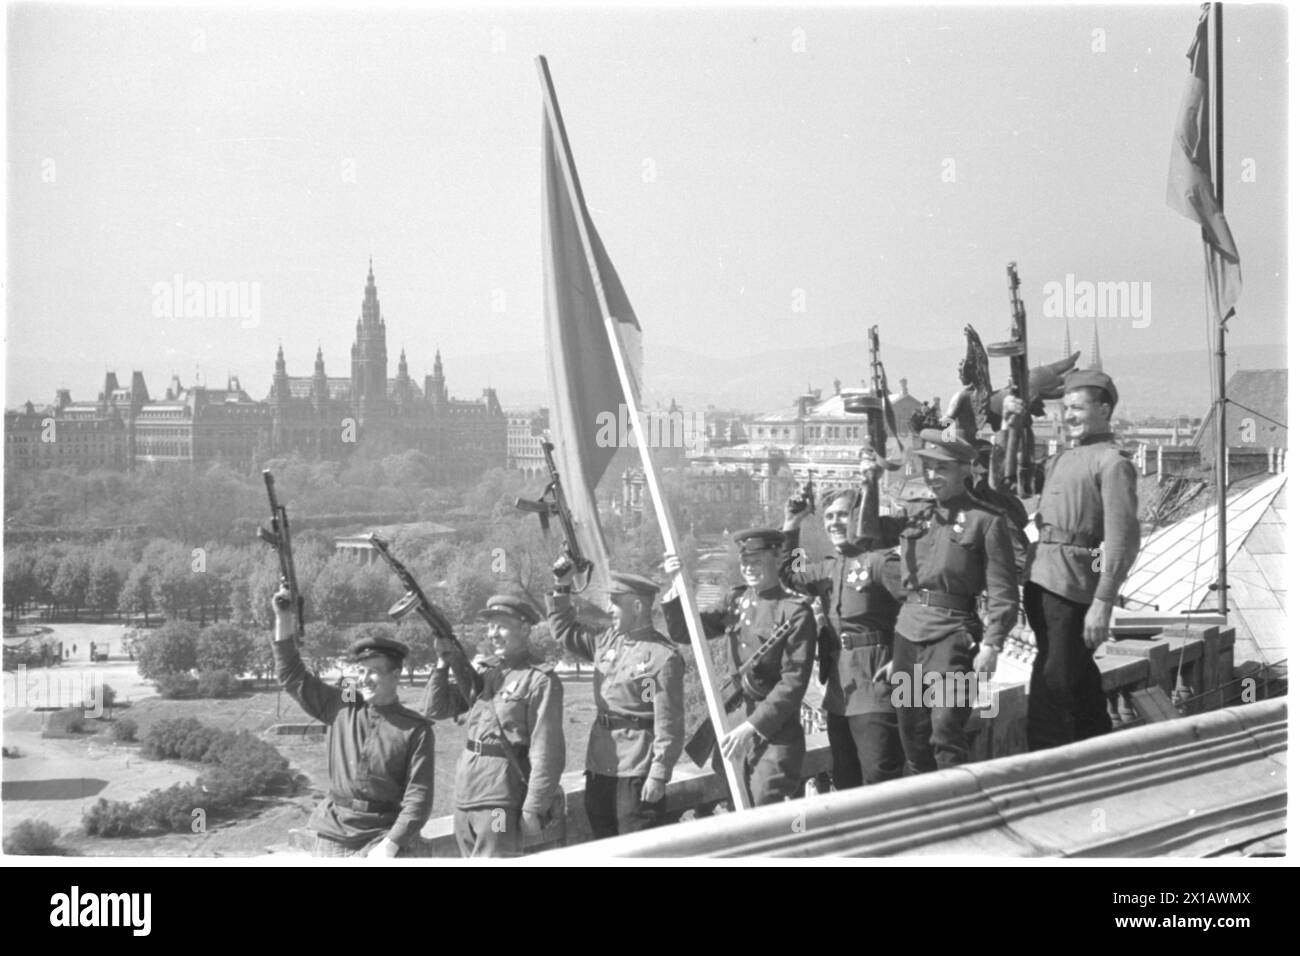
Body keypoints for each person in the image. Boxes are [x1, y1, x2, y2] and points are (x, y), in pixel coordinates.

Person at [1016, 369, 1139, 750]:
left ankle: (1045, 763)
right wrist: (1012, 421)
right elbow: (1013, 481)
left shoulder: (1112, 463)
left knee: (1054, 681)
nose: (1069, 416)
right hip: (1041, 579)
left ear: (1104, 410)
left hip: (1073, 586)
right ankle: (1099, 752)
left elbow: (1122, 540)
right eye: (1065, 408)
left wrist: (1103, 601)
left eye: (1078, 408)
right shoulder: (1060, 460)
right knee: (1076, 676)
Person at [892, 428, 1020, 774]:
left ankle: (957, 801)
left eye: (942, 468)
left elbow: (1004, 592)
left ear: (964, 469)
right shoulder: (915, 515)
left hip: (952, 638)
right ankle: (924, 802)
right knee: (913, 733)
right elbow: (864, 537)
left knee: (946, 727)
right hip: (908, 637)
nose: (932, 475)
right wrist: (870, 480)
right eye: (928, 467)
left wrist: (992, 645)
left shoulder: (986, 521)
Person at [270, 585, 432, 858]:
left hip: (382, 836)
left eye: (375, 672)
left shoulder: (416, 729)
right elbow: (292, 675)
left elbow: (419, 797)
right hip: (334, 833)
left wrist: (391, 844)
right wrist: (283, 617)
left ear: (395, 675)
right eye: (361, 670)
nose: (365, 679)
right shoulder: (341, 707)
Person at [662, 529, 818, 805]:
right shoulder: (735, 601)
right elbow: (686, 632)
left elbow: (793, 683)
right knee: (736, 807)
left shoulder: (794, 612)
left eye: (757, 561)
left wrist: (751, 727)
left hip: (773, 732)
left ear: (777, 558)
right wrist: (675, 586)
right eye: (745, 561)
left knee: (765, 806)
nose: (749, 568)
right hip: (733, 725)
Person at [779, 482, 905, 789]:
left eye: (842, 515)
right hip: (839, 695)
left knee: (879, 781)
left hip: (877, 690)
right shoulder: (829, 569)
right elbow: (791, 574)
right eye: (829, 516)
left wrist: (903, 659)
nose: (834, 522)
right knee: (846, 783)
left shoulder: (881, 562)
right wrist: (792, 523)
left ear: (860, 518)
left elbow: (920, 606)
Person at [547, 566, 684, 838]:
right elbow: (563, 630)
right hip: (600, 764)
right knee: (604, 842)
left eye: (615, 602)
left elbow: (668, 722)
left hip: (637, 767)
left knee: (637, 847)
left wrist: (659, 773)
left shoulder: (662, 657)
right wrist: (562, 586)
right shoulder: (606, 641)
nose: (609, 609)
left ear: (637, 606)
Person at [424, 594, 564, 858]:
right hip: (466, 794)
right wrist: (443, 662)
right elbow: (436, 709)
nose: (493, 634)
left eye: (501, 626)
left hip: (500, 800)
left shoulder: (539, 679)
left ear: (525, 628)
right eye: (490, 627)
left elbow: (547, 750)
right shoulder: (486, 673)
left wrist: (533, 806)